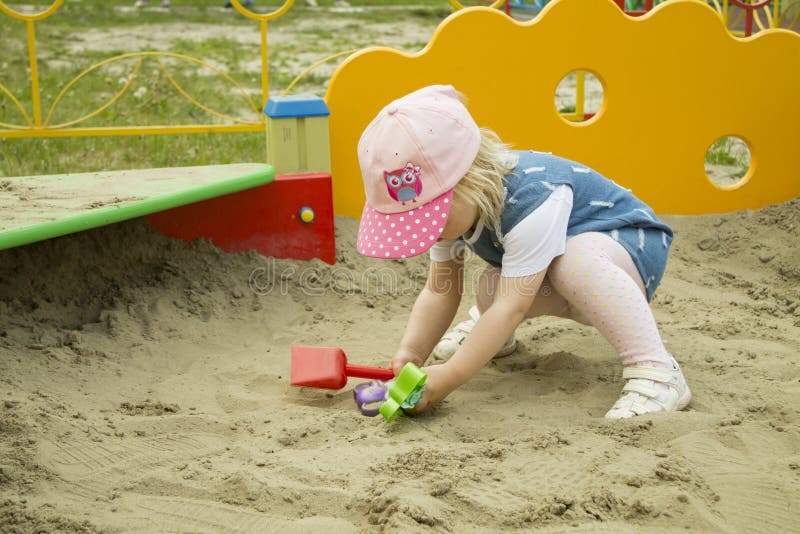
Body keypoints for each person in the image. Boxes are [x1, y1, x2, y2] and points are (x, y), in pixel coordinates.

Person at [355, 84, 691, 419]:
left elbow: (511, 306)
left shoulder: (533, 199)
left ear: (468, 181)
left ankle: (656, 371)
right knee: (491, 286)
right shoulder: (458, 208)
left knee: (570, 266)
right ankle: (491, 341)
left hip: (627, 246)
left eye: (428, 217)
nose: (425, 232)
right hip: (563, 269)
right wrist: (412, 354)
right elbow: (439, 290)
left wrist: (452, 375)